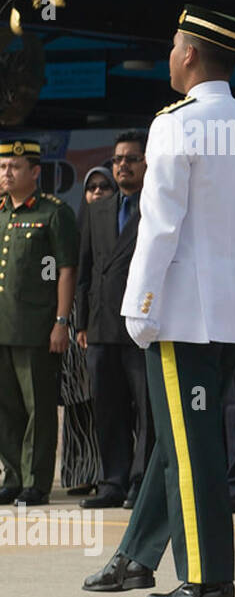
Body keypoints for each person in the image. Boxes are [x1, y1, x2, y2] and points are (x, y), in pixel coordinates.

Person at [81, 4, 235, 597]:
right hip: (232, 312)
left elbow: (159, 224)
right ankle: (138, 556)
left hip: (185, 312)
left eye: (173, 46)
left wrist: (139, 305)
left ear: (190, 53)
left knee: (193, 447)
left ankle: (208, 577)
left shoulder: (175, 124)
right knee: (180, 439)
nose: (169, 55)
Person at [77, 137, 153, 510]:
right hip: (101, 324)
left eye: (132, 159)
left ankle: (140, 482)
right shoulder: (98, 208)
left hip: (141, 323)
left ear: (146, 163)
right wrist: (81, 321)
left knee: (145, 408)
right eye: (117, 159)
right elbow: (85, 267)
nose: (123, 166)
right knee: (108, 408)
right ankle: (113, 481)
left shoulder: (157, 205)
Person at [0, 139, 78, 507]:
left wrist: (61, 321)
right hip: (2, 326)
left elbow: (65, 269)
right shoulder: (1, 213)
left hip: (36, 327)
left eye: (14, 167)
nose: (6, 173)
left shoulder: (53, 213)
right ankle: (13, 476)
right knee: (6, 407)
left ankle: (36, 481)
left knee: (39, 408)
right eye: (2, 167)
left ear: (35, 172)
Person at [61, 166, 113, 498]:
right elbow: (55, 268)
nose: (96, 193)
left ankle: (112, 473)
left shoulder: (124, 226)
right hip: (75, 324)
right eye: (91, 188)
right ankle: (81, 472)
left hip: (109, 322)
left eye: (103, 187)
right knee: (78, 402)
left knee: (111, 401)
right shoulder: (73, 230)